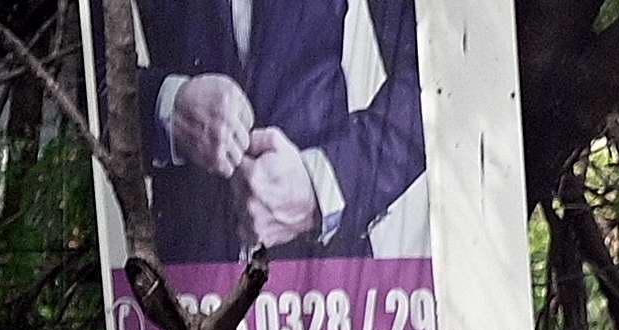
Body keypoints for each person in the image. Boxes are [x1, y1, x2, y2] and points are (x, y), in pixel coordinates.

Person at [143, 0, 421, 265]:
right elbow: (100, 75)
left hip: (326, 275)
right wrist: (166, 104)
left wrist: (322, 183)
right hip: (182, 272)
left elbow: (436, 74)